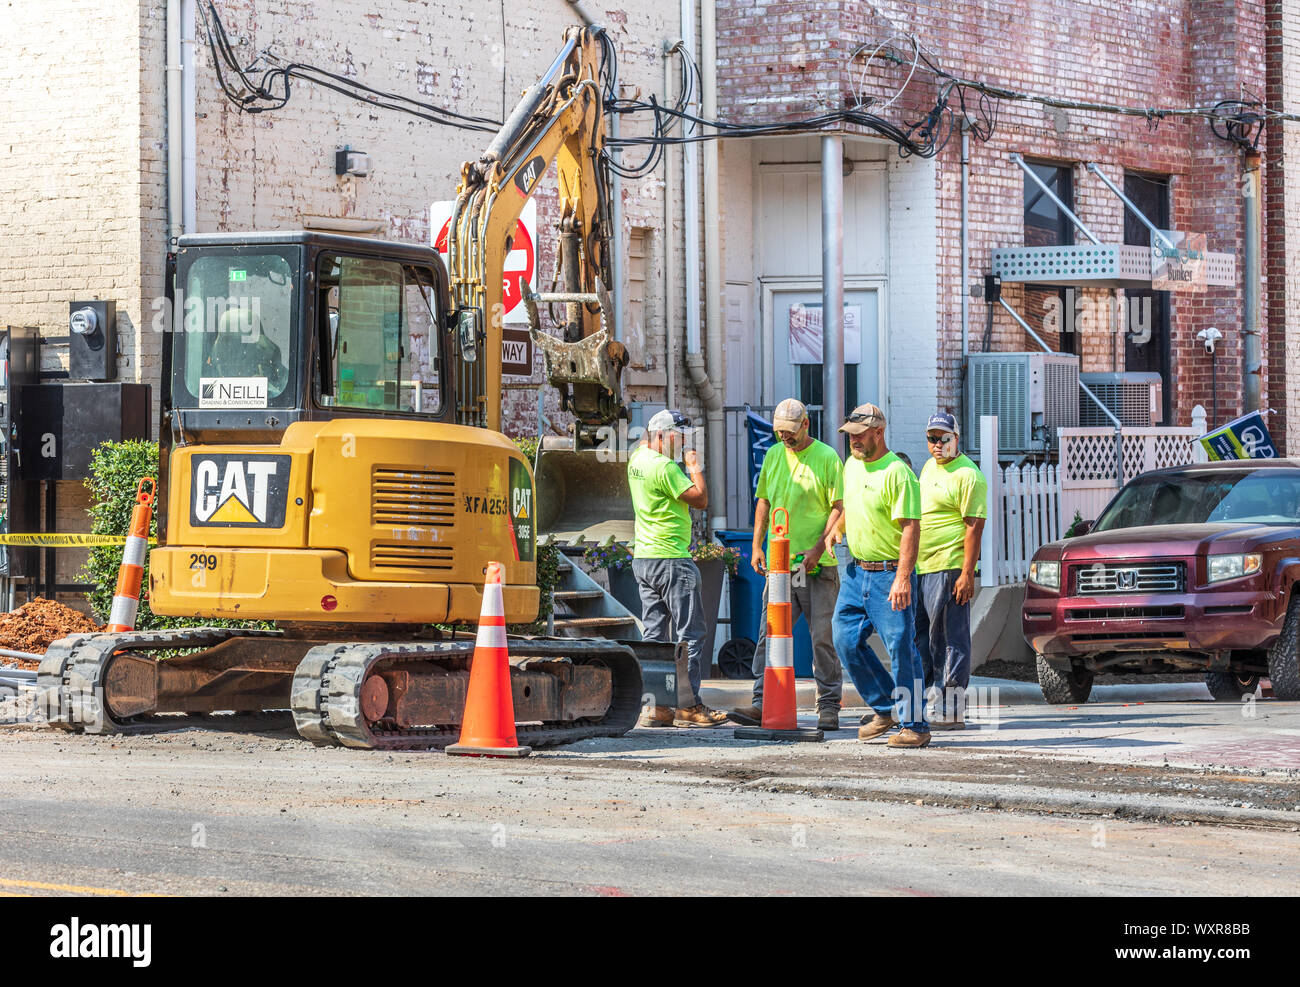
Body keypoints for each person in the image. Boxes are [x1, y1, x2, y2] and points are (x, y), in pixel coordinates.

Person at [729, 398, 844, 732]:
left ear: (806, 425)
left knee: (822, 635)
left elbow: (839, 507)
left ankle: (828, 706)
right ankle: (762, 702)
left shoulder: (826, 457)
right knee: (770, 634)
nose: (784, 439)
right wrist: (756, 545)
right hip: (780, 565)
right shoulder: (774, 455)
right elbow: (764, 501)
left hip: (816, 564)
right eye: (779, 433)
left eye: (790, 433)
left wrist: (819, 547)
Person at [830, 402, 930, 748]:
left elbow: (910, 528)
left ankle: (915, 724)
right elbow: (849, 505)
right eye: (850, 435)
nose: (853, 441)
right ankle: (886, 706)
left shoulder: (898, 473)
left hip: (890, 574)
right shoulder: (852, 466)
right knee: (844, 639)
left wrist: (904, 578)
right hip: (857, 574)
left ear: (878, 432)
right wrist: (836, 529)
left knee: (902, 648)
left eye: (859, 435)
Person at [628, 409, 728, 728]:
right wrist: (695, 468)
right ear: (662, 435)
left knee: (655, 635)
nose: (685, 444)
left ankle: (656, 706)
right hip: (672, 558)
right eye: (680, 437)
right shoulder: (665, 467)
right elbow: (700, 499)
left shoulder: (637, 461)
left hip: (644, 558)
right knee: (691, 633)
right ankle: (688, 705)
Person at [914, 412, 988, 730]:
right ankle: (918, 703)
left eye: (944, 438)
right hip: (921, 566)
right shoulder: (929, 467)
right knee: (921, 639)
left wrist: (967, 573)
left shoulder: (968, 475)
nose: (938, 444)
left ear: (957, 438)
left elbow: (974, 527)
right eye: (932, 438)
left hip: (949, 567)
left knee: (950, 639)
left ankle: (952, 707)